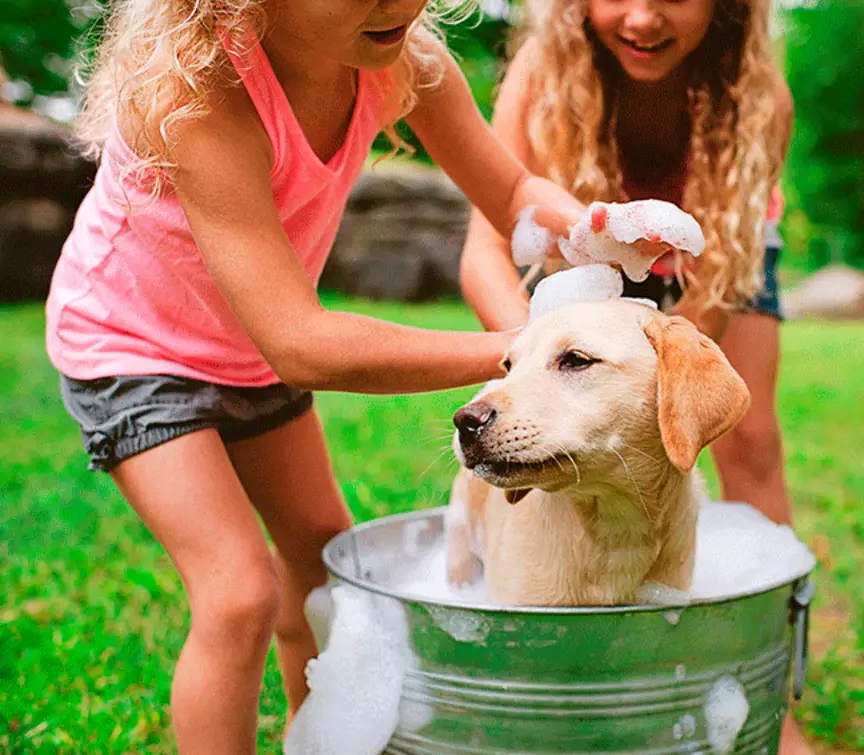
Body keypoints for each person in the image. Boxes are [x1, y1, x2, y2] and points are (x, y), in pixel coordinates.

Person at [44, 0, 589, 750]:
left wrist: (599, 228)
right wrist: (519, 351)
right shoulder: (195, 96)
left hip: (248, 347)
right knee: (237, 596)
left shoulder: (406, 60)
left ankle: (314, 738)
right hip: (134, 350)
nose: (402, 5)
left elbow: (514, 195)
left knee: (327, 562)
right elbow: (303, 346)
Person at [458, 0, 808, 748]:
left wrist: (669, 366)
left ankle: (772, 691)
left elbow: (712, 293)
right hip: (577, 253)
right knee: (561, 424)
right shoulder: (542, 72)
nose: (643, 19)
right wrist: (539, 355)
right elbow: (482, 253)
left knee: (748, 439)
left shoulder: (760, 97)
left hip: (723, 247)